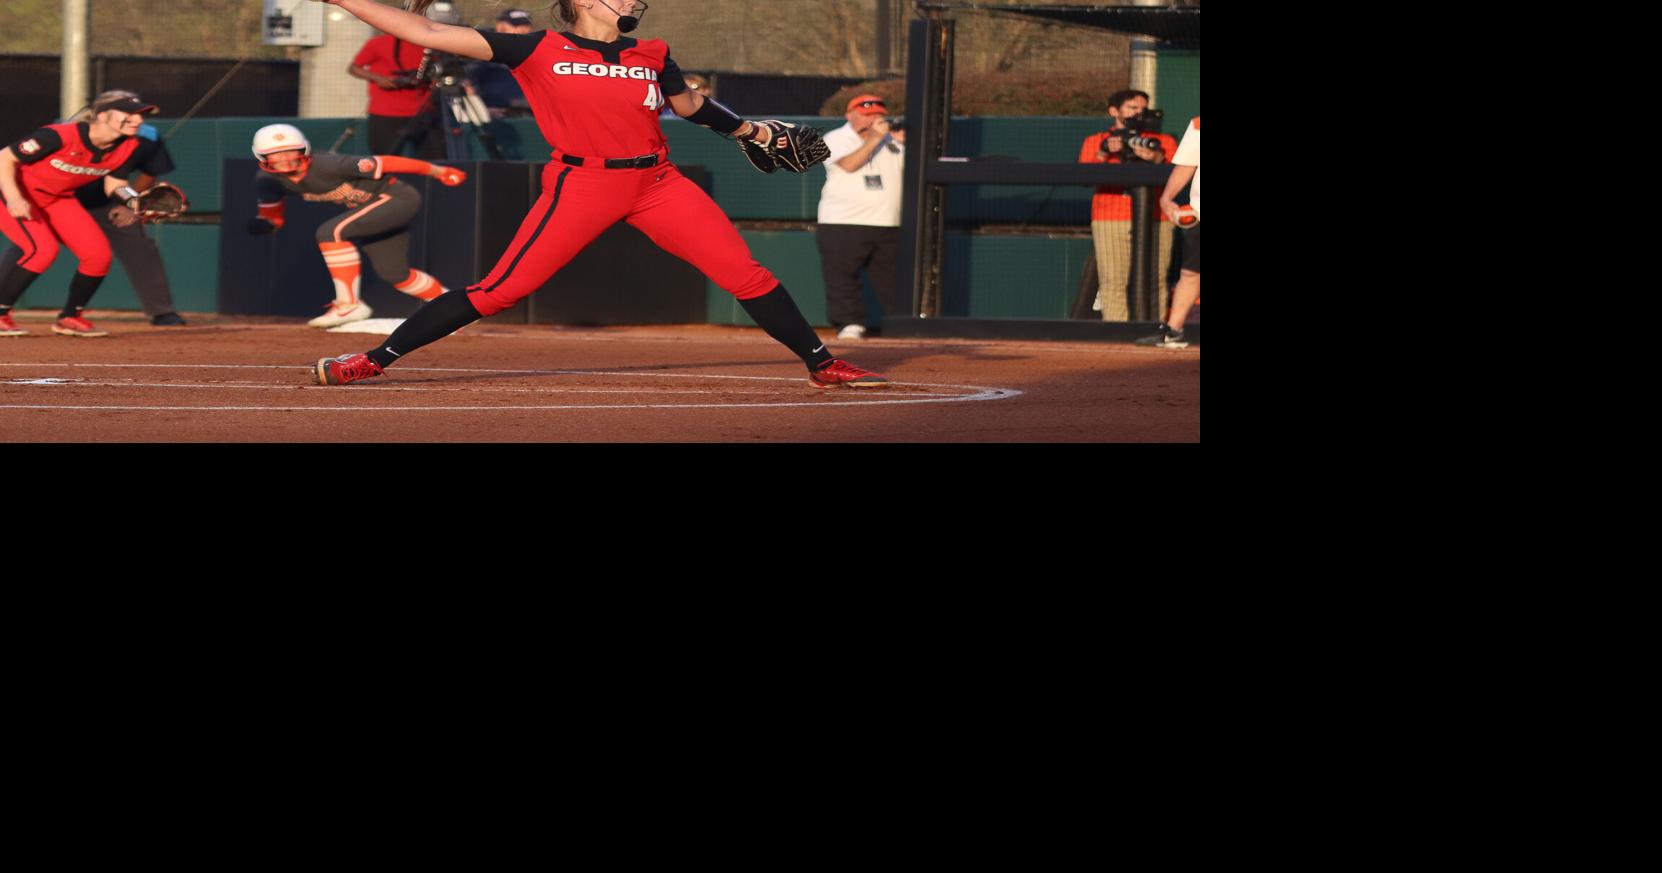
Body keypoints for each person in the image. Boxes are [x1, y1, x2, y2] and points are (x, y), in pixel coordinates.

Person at [309, 0, 888, 390]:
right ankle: (373, 360)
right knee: (501, 290)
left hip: (658, 182)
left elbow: (688, 106)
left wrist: (752, 130)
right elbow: (425, 31)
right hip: (582, 183)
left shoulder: (653, 54)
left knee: (747, 274)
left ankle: (822, 363)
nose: (634, 0)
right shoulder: (534, 49)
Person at [0, 91, 190, 327]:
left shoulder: (129, 146)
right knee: (42, 249)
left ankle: (70, 316)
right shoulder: (59, 135)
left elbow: (116, 185)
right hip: (11, 191)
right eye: (129, 114)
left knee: (97, 255)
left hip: (58, 198)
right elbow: (4, 158)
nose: (139, 120)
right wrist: (14, 197)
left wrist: (134, 202)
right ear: (102, 116)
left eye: (142, 115)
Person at [247, 123, 466, 327]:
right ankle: (455, 308)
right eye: (275, 154)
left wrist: (440, 172)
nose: (284, 158)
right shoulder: (267, 181)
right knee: (395, 274)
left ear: (304, 150)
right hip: (373, 210)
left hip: (397, 199)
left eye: (290, 150)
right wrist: (265, 225)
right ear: (262, 157)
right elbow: (273, 217)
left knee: (331, 232)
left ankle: (349, 305)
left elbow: (386, 162)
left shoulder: (327, 165)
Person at [1078, 90, 1176, 322]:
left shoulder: (1163, 141)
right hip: (1111, 216)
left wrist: (1155, 158)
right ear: (1114, 111)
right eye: (1132, 108)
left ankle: (1156, 330)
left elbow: (1178, 174)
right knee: (1113, 280)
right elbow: (1083, 176)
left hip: (1156, 217)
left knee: (1157, 278)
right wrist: (1103, 152)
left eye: (1142, 109)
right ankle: (1116, 333)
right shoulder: (1096, 140)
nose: (1138, 113)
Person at [816, 94, 905, 341]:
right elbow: (849, 164)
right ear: (850, 116)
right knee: (841, 276)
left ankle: (899, 324)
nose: (873, 119)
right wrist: (875, 138)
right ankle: (849, 323)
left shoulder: (894, 141)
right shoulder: (835, 138)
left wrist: (905, 143)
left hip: (888, 221)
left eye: (878, 115)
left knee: (893, 280)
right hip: (842, 221)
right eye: (867, 115)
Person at [349, 8, 446, 158]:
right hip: (385, 113)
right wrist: (379, 79)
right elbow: (354, 68)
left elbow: (440, 71)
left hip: (422, 110)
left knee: (435, 158)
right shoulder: (379, 43)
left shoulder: (428, 45)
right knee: (385, 159)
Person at [1139, 115, 1199, 349]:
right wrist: (1166, 198)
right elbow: (1187, 164)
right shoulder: (1198, 125)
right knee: (1191, 273)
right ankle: (1173, 331)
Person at [465, 9, 534, 120]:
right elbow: (468, 87)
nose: (523, 29)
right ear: (500, 27)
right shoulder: (483, 55)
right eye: (516, 25)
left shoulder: (534, 57)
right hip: (492, 116)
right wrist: (482, 111)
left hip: (529, 116)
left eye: (526, 25)